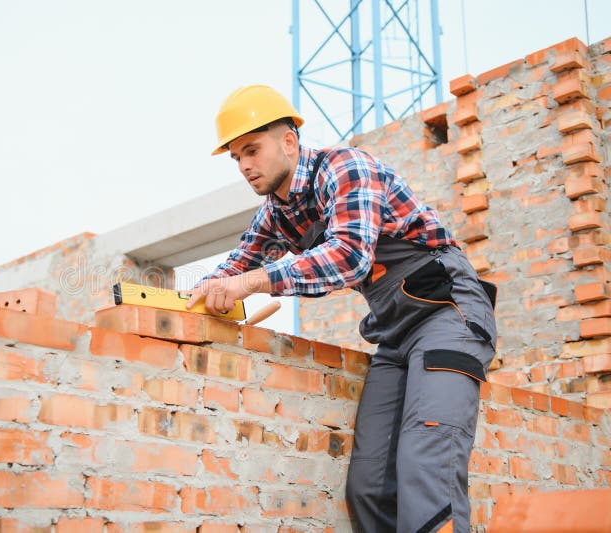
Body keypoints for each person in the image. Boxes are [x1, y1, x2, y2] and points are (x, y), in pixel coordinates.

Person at [186, 85, 497, 533]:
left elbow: (351, 256)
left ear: (289, 142)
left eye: (252, 150)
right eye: (236, 157)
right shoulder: (275, 213)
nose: (245, 166)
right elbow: (232, 269)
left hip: (448, 314)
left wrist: (251, 283)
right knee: (369, 488)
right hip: (394, 334)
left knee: (426, 464)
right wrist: (188, 301)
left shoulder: (346, 167)